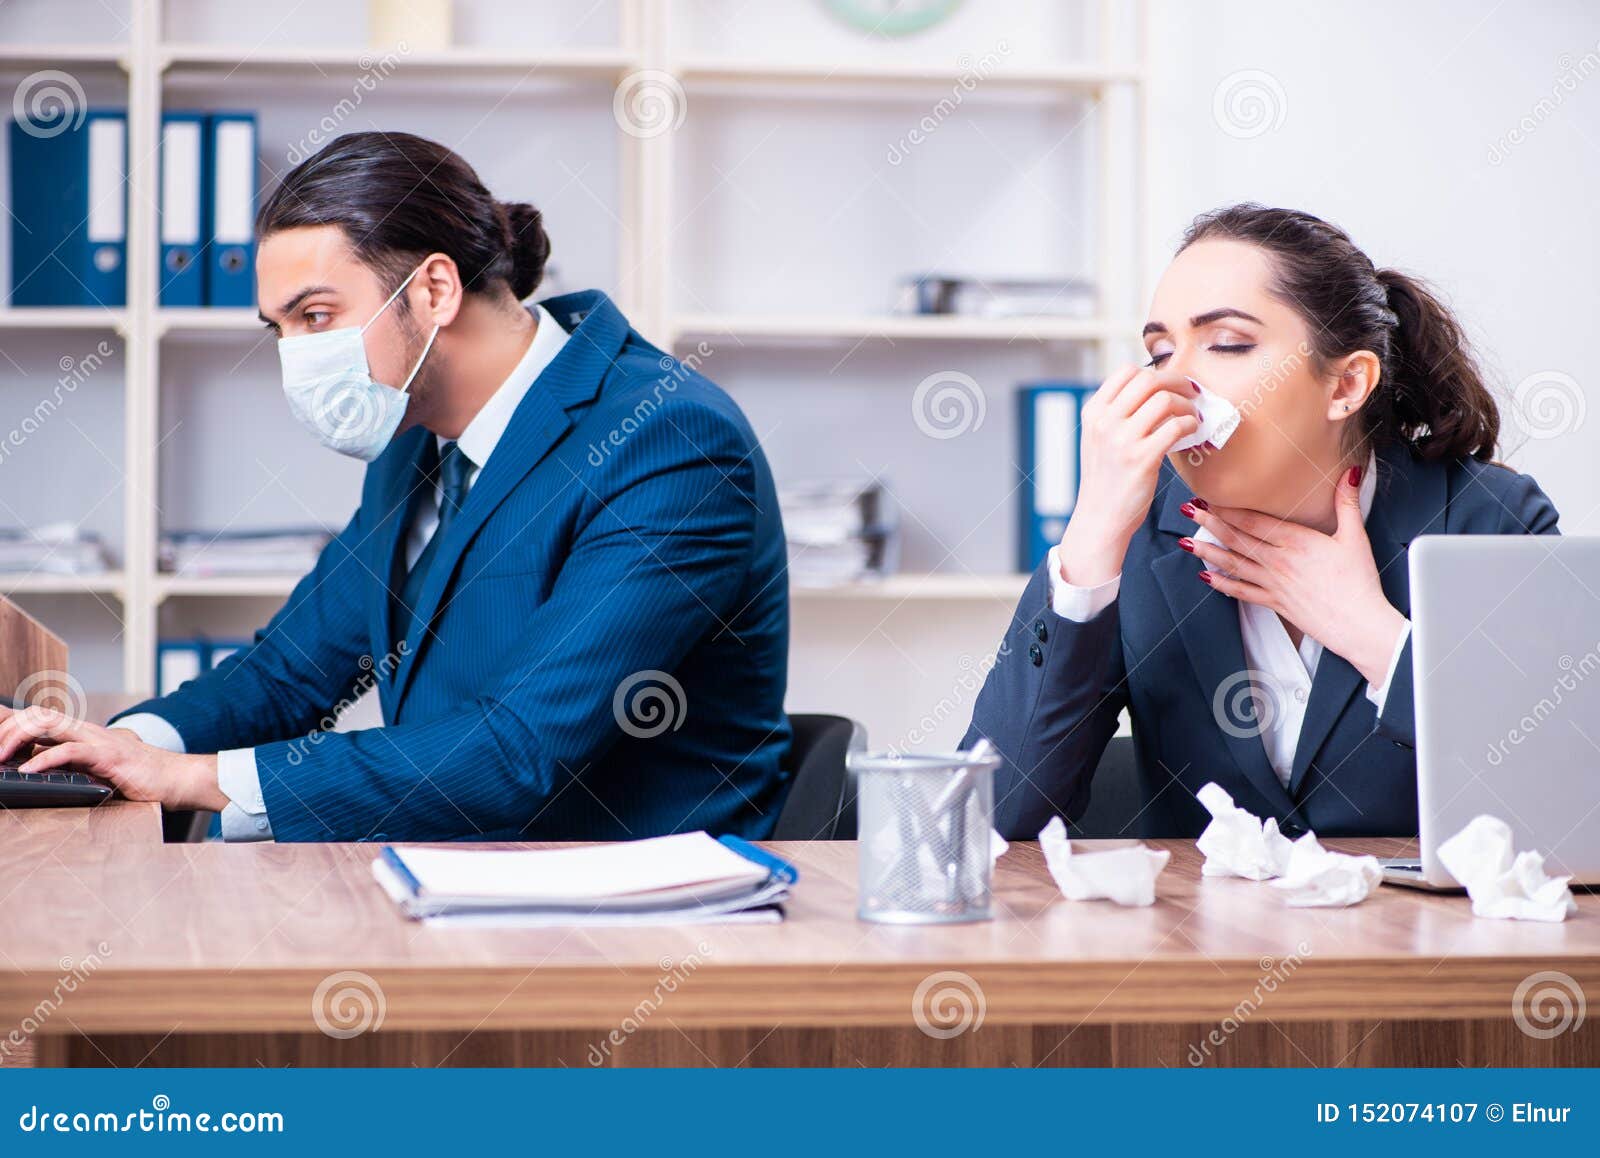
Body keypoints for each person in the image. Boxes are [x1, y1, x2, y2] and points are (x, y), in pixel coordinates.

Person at [0, 132, 791, 842]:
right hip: (450, 881)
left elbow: (520, 751)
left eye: (316, 315)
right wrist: (120, 746)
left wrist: (195, 780)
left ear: (434, 290)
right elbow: (292, 672)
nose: (297, 357)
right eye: (280, 329)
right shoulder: (413, 436)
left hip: (631, 920)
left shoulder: (667, 440)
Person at [965, 203, 1559, 839]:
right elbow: (989, 822)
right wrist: (1089, 540)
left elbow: (1555, 799)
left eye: (1227, 344)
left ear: (1345, 385)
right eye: (1160, 353)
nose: (1178, 384)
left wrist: (1372, 635)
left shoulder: (1492, 522)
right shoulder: (1134, 537)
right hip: (1204, 938)